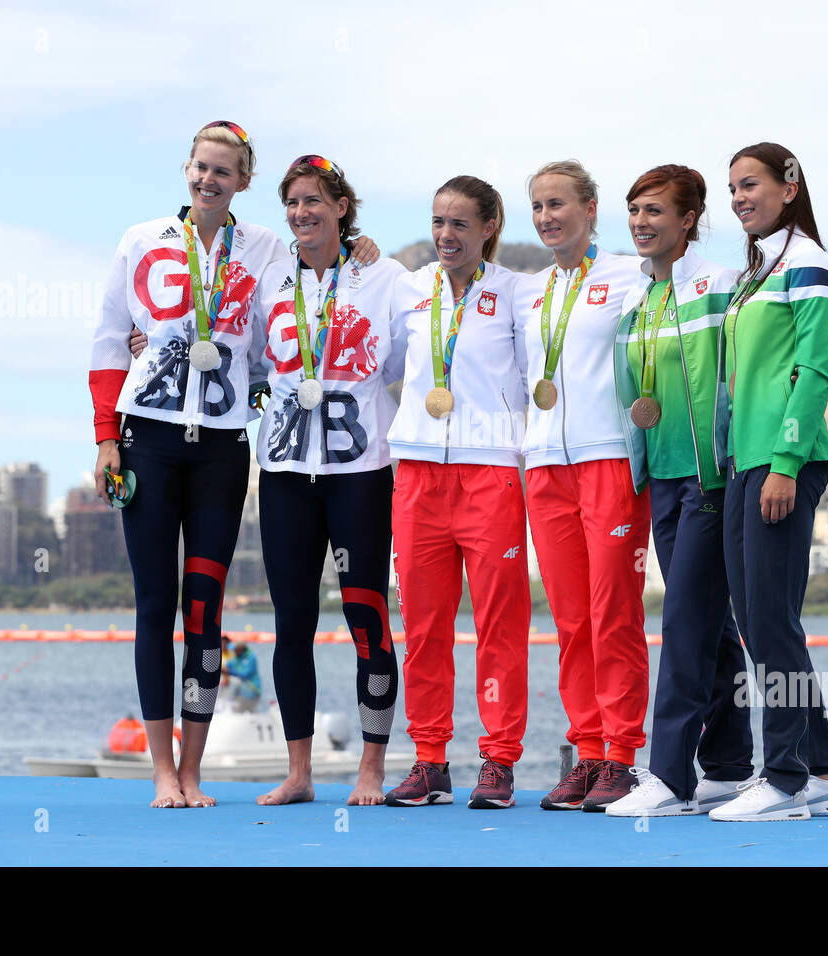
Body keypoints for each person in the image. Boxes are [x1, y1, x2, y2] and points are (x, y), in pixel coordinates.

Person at [90, 120, 280, 808]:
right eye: (200, 167)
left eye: (223, 172)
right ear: (186, 168)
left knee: (204, 609)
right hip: (149, 439)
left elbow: (295, 315)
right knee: (153, 607)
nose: (208, 180)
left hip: (224, 449)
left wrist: (360, 244)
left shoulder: (264, 247)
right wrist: (106, 437)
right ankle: (161, 771)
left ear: (243, 182)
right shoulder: (140, 241)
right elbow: (110, 340)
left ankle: (193, 772)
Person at [250, 155, 405, 808]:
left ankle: (371, 768)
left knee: (368, 618)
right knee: (293, 623)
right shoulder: (268, 279)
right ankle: (300, 771)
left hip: (360, 472)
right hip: (285, 473)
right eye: (291, 202)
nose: (301, 212)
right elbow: (247, 356)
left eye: (314, 200)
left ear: (343, 206)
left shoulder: (384, 276)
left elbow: (405, 361)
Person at [603, 165, 757, 818]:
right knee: (713, 627)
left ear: (689, 219)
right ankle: (726, 766)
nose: (641, 222)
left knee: (686, 621)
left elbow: (748, 371)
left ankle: (667, 776)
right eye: (635, 210)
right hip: (661, 481)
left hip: (708, 478)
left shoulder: (720, 287)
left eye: (656, 211)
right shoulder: (638, 304)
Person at [709, 143, 828, 822]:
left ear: (789, 187)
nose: (739, 197)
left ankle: (786, 780)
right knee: (760, 620)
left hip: (782, 460)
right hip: (746, 459)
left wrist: (787, 465)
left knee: (770, 620)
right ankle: (825, 772)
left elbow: (814, 372)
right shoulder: (756, 272)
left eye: (752, 185)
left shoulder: (811, 267)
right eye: (732, 188)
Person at [382, 176, 531, 809]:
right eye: (439, 222)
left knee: (500, 625)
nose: (446, 235)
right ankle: (429, 760)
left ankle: (497, 762)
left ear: (490, 226)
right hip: (416, 473)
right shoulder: (408, 290)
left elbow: (534, 376)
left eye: (461, 224)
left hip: (489, 474)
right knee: (423, 627)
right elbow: (384, 366)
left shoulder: (519, 294)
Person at [511, 161, 651, 812]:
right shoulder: (529, 292)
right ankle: (588, 750)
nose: (546, 217)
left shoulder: (631, 274)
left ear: (590, 209)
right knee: (570, 619)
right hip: (544, 467)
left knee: (613, 611)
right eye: (537, 206)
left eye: (558, 204)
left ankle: (623, 755)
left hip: (609, 463)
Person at [221, 638, 261, 713]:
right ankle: (223, 706)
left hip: (253, 688)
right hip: (242, 689)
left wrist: (229, 671)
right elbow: (227, 666)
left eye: (235, 650)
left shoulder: (251, 657)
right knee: (226, 683)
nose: (233, 651)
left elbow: (245, 675)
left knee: (234, 682)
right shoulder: (236, 657)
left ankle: (225, 706)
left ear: (241, 649)